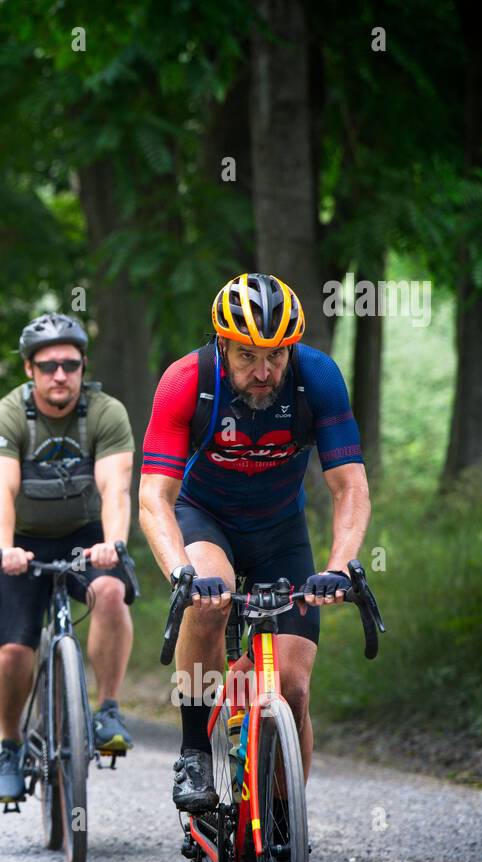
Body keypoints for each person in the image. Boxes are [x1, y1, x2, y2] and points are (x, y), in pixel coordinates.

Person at [137, 273, 370, 815]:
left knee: (294, 687)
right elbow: (155, 497)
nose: (263, 372)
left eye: (276, 356)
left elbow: (349, 486)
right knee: (208, 607)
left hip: (279, 529)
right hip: (204, 517)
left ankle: (287, 826)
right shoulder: (186, 382)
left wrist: (339, 568)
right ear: (222, 346)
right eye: (247, 356)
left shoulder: (317, 378)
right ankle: (195, 748)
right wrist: (181, 575)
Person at [0, 313, 137, 803]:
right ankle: (10, 746)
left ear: (83, 365)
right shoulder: (7, 415)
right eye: (48, 366)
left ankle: (107, 707)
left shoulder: (105, 412)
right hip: (21, 542)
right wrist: (3, 550)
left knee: (110, 592)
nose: (60, 375)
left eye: (70, 364)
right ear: (30, 370)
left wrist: (113, 543)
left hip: (87, 536)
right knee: (13, 652)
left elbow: (116, 489)